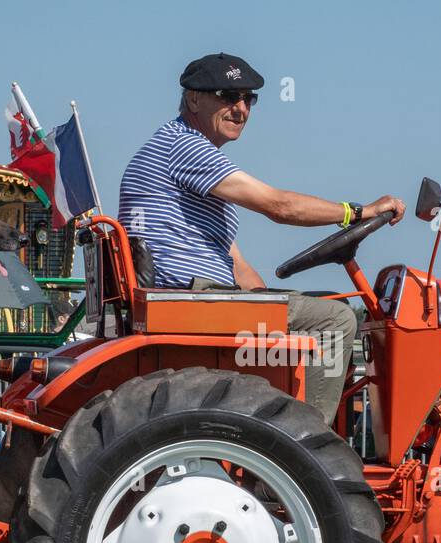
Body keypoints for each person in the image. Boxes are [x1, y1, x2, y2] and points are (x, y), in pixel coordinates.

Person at [119, 51, 405, 421]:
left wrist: (266, 300)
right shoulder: (185, 146)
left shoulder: (184, 157)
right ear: (193, 98)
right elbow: (279, 206)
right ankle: (308, 449)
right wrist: (358, 212)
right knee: (336, 319)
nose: (240, 108)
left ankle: (293, 429)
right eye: (227, 96)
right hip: (191, 298)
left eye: (248, 99)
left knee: (324, 303)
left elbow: (236, 264)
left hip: (197, 292)